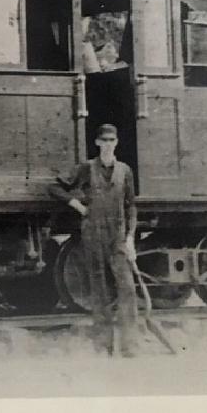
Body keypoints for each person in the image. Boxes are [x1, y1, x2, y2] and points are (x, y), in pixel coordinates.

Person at [52, 123, 140, 357]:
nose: (108, 144)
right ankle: (104, 346)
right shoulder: (86, 168)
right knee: (99, 290)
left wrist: (130, 238)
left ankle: (130, 346)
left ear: (116, 143)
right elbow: (55, 188)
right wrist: (78, 206)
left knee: (128, 289)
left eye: (112, 140)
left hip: (118, 236)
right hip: (93, 234)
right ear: (98, 143)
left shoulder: (125, 171)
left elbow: (131, 206)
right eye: (104, 140)